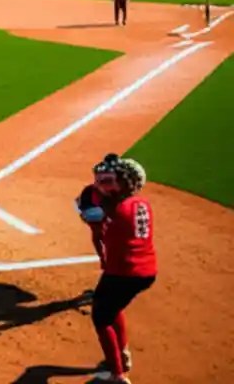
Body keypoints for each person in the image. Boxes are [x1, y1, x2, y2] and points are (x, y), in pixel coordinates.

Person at [81, 154, 156, 384]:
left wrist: (93, 197)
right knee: (114, 308)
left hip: (122, 274)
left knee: (101, 318)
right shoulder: (141, 204)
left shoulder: (116, 212)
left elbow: (93, 215)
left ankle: (117, 376)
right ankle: (123, 354)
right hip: (147, 271)